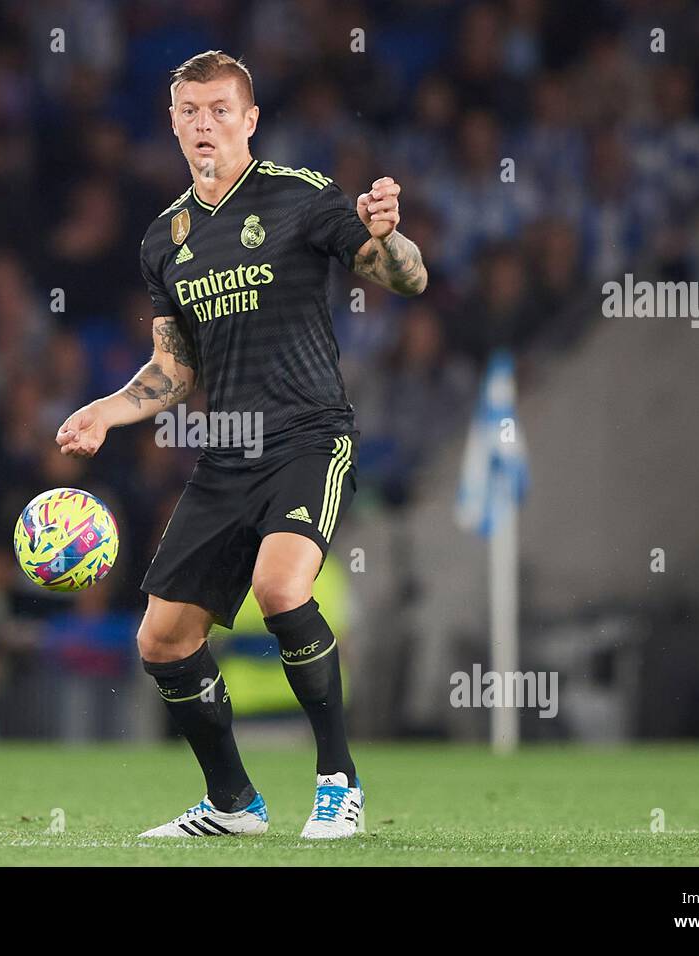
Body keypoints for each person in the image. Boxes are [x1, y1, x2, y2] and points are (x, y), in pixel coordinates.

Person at [56, 51, 427, 838]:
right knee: (160, 640)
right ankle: (234, 803)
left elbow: (405, 278)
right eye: (190, 111)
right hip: (226, 454)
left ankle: (340, 784)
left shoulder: (299, 196)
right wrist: (106, 411)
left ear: (250, 119)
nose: (204, 124)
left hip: (308, 434)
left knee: (282, 589)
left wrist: (390, 238)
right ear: (172, 122)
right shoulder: (165, 237)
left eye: (221, 109)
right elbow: (172, 366)